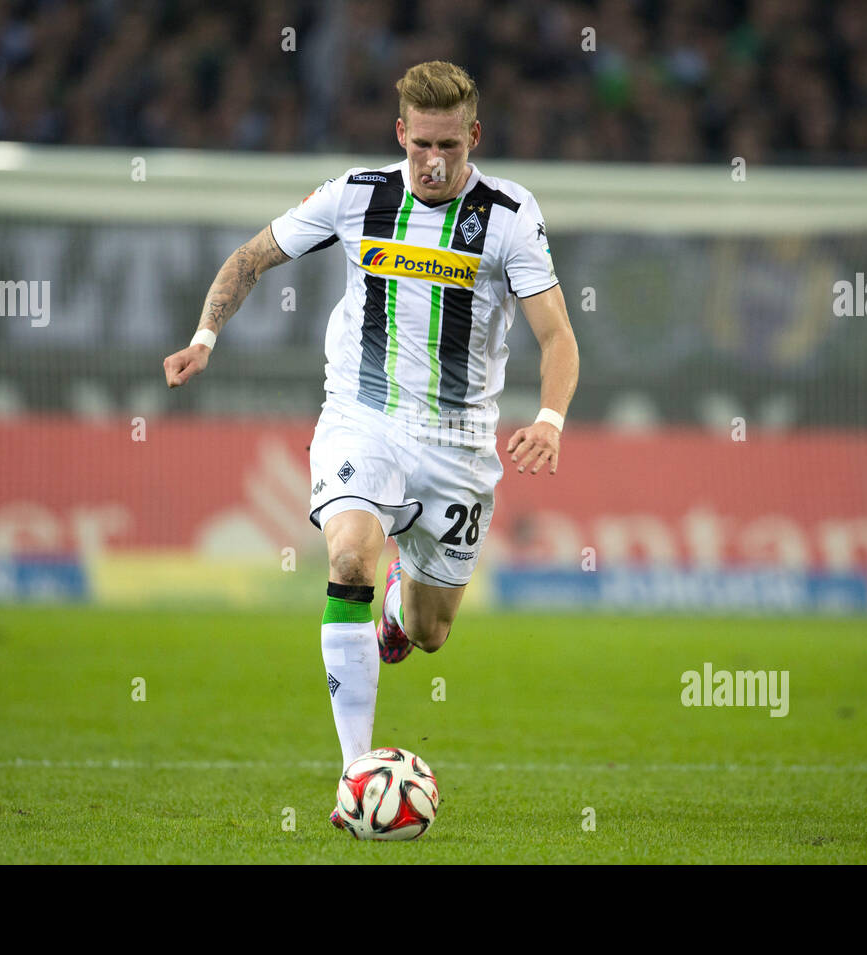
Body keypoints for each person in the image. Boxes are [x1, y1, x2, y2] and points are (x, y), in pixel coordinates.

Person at [163, 61, 580, 826]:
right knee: (350, 553)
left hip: (459, 446)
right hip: (365, 418)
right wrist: (204, 337)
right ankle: (355, 773)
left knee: (431, 631)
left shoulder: (512, 215)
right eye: (420, 143)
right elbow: (251, 257)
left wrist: (549, 420)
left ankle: (399, 609)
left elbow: (557, 337)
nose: (433, 160)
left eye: (449, 145)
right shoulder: (357, 195)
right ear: (400, 134)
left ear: (473, 137)